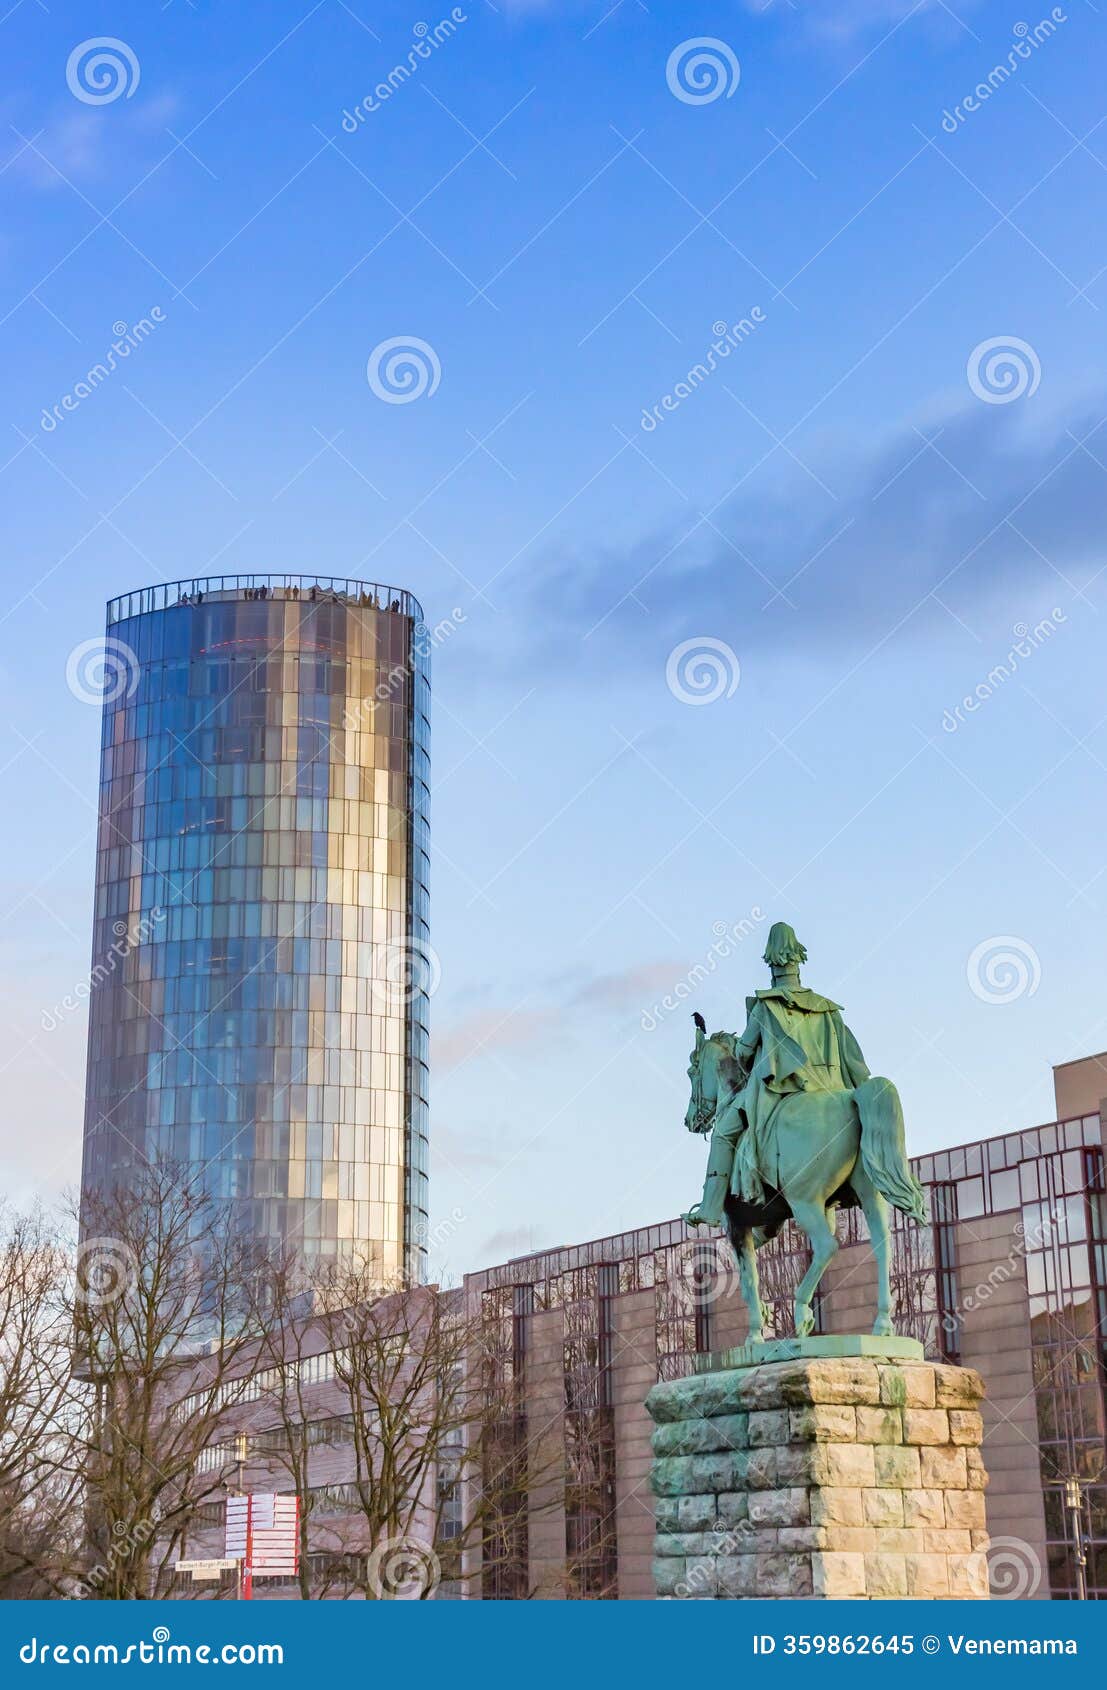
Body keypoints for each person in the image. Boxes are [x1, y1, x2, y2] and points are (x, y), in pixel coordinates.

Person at [683, 922, 871, 1226]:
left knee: (723, 1133)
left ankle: (710, 1207)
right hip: (832, 1089)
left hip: (780, 1092)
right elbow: (853, 1059)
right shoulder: (828, 1010)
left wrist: (746, 1052)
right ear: (798, 960)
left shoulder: (766, 1006)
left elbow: (743, 1055)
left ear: (771, 964)